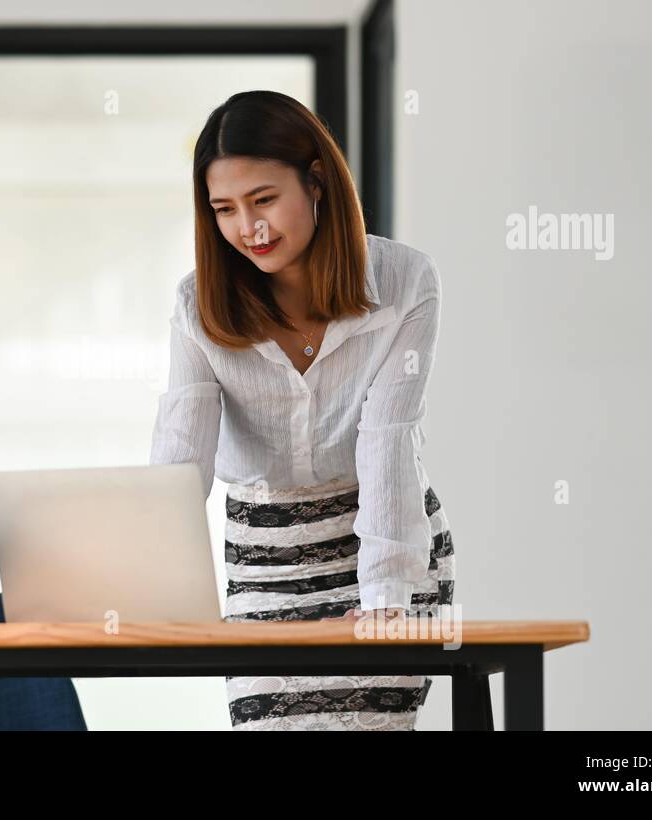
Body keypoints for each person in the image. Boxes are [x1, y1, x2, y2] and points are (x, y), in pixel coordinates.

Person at [150, 90, 455, 730]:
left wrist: (386, 599)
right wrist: (147, 594)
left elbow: (389, 439)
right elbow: (182, 458)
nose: (248, 228)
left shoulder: (403, 283)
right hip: (265, 551)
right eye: (224, 210)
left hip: (380, 539)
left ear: (316, 179)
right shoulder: (196, 307)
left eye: (264, 200)